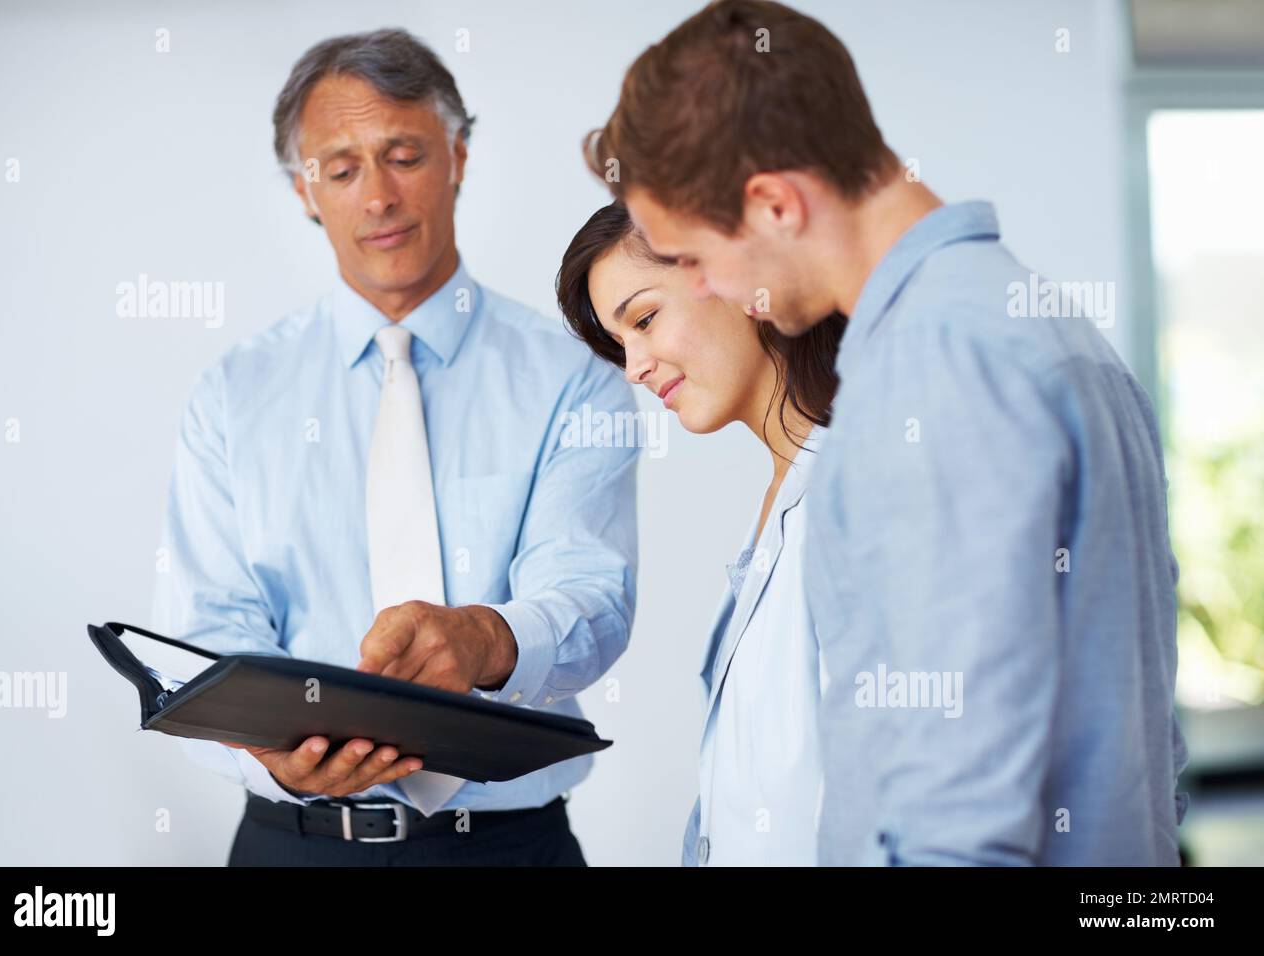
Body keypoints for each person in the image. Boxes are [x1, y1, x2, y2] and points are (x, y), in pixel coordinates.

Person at [584, 0, 1189, 865]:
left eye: (694, 256)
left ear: (775, 205)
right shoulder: (1047, 326)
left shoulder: (930, 367)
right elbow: (1150, 744)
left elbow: (956, 814)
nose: (710, 282)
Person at [152, 28, 638, 866]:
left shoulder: (575, 375)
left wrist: (487, 639)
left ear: (457, 154)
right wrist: (272, 748)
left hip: (506, 847)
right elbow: (205, 628)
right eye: (340, 169)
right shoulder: (232, 395)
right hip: (290, 843)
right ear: (305, 193)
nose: (376, 197)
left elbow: (591, 598)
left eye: (403, 154)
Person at [557, 199, 845, 864]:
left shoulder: (856, 494)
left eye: (646, 319)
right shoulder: (777, 504)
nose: (633, 367)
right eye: (619, 343)